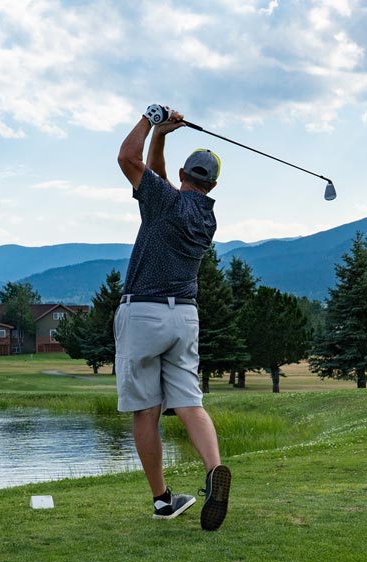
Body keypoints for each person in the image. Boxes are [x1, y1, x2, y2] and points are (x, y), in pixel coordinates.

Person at [116, 103, 231, 531]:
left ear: (184, 175)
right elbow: (157, 177)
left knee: (145, 411)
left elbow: (128, 158)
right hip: (185, 317)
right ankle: (214, 470)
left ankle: (163, 500)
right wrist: (162, 135)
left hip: (144, 313)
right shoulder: (205, 216)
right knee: (189, 402)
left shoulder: (164, 201)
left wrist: (150, 118)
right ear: (213, 183)